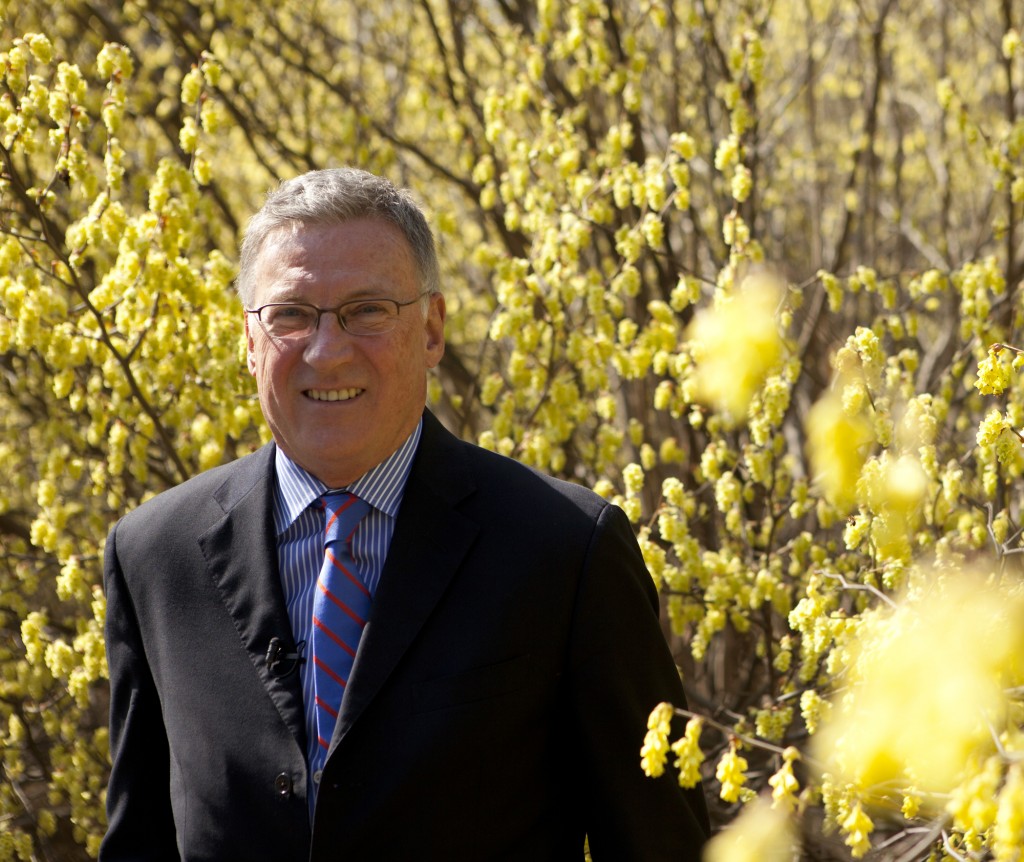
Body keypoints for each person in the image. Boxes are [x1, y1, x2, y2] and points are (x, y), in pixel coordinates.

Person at [101, 167, 709, 861]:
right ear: (248, 340)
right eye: (291, 315)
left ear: (431, 329)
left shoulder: (565, 553)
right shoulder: (154, 558)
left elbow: (661, 844)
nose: (327, 352)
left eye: (367, 311)